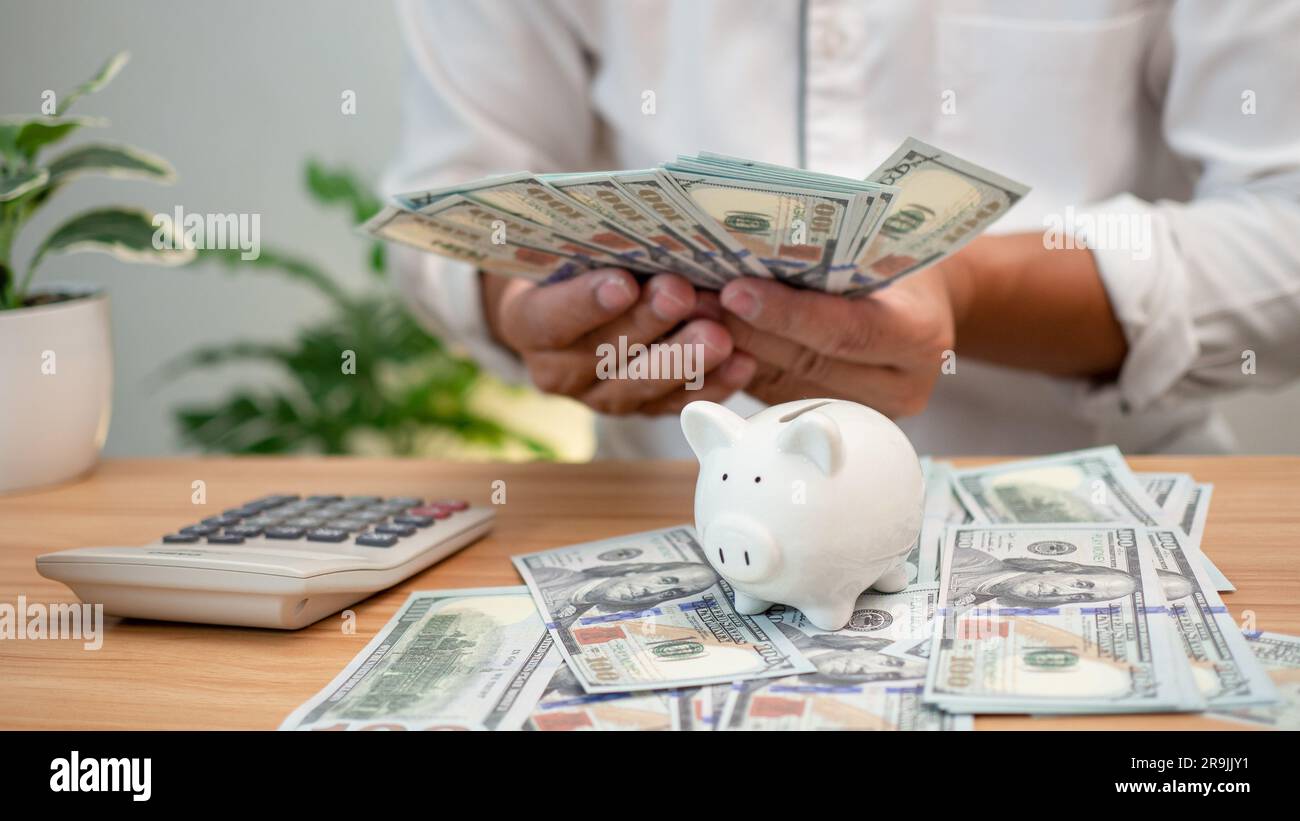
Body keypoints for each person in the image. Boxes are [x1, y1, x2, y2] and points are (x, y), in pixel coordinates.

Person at [385, 0, 1300, 457]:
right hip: (666, 510)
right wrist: (526, 307)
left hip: (1088, 502)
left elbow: (1285, 230)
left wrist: (972, 290)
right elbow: (458, 189)